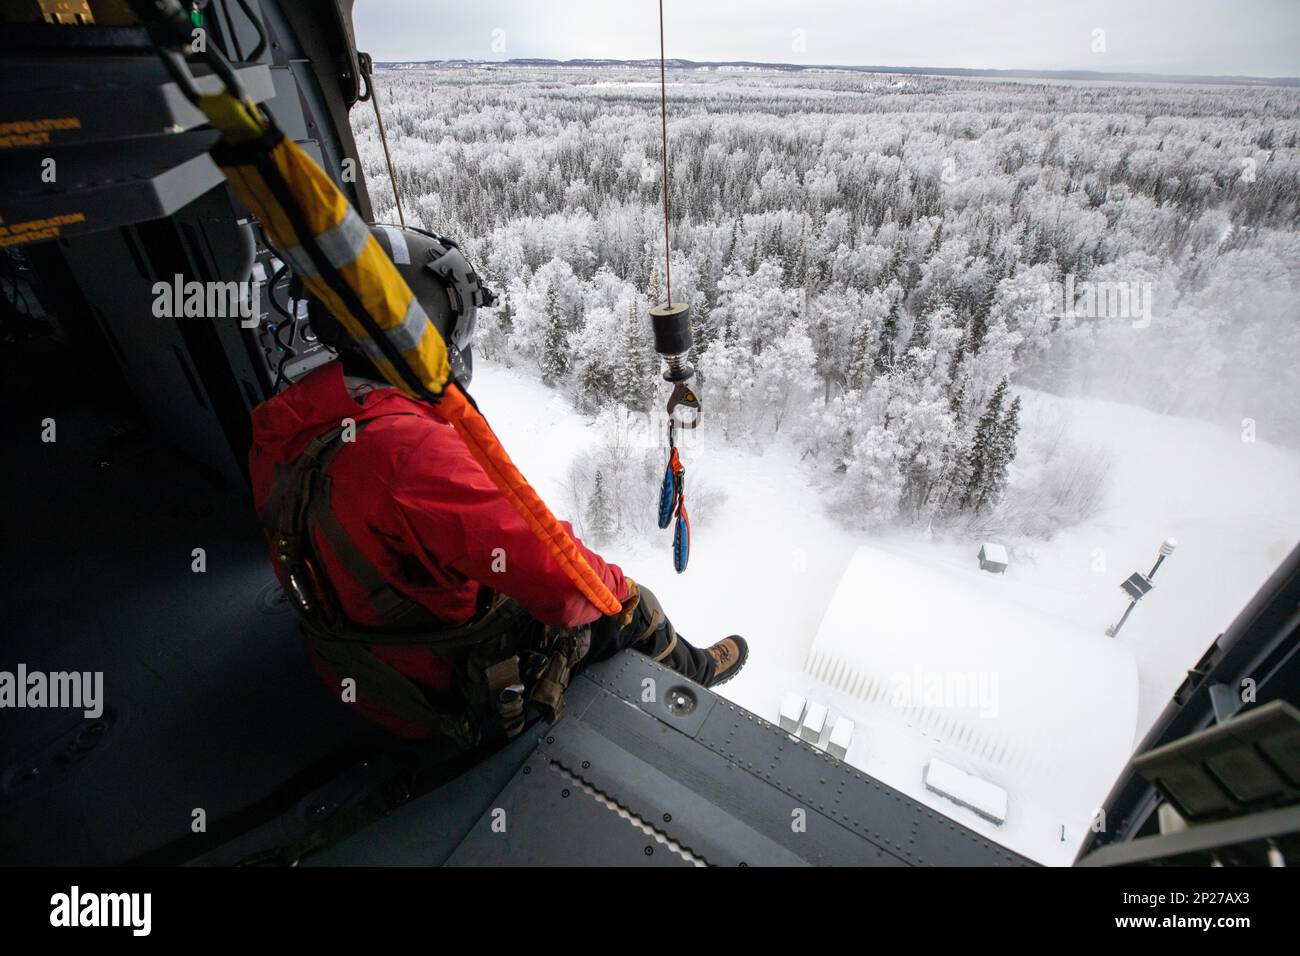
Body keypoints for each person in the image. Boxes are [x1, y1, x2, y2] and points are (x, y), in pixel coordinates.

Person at [248, 224, 747, 741]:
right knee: (628, 603)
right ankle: (697, 672)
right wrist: (618, 589)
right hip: (431, 687)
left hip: (352, 660)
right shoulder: (407, 453)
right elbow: (559, 577)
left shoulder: (288, 417)